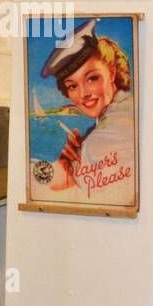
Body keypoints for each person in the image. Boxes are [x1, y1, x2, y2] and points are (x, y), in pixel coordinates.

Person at [38, 19, 136, 199]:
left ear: (112, 71)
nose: (84, 94)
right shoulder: (121, 111)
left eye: (92, 78)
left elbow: (86, 198)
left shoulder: (116, 127)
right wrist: (69, 160)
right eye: (72, 86)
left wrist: (74, 163)